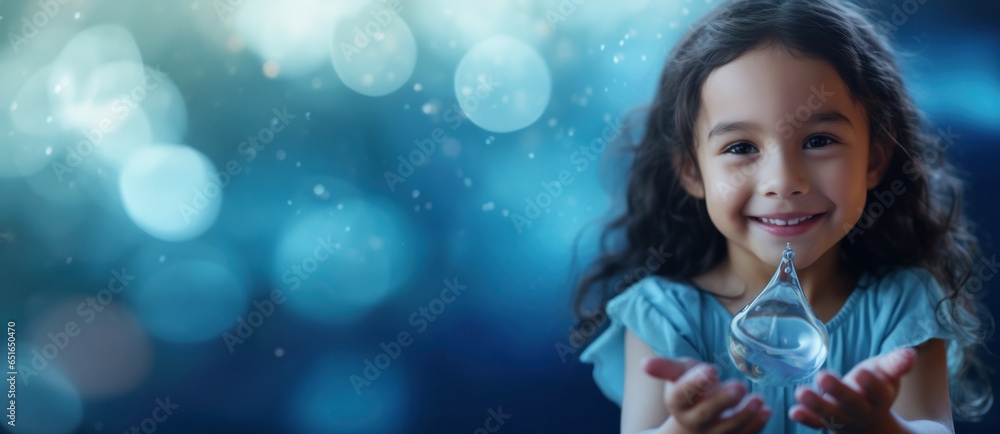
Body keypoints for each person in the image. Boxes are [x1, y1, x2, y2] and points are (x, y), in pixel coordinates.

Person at [573, 0, 993, 432]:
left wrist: (884, 427)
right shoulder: (661, 315)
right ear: (692, 172)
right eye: (741, 148)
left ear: (874, 159)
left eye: (819, 140)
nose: (784, 181)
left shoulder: (904, 303)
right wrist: (683, 428)